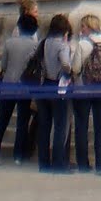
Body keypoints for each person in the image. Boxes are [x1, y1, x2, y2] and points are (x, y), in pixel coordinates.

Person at [0, 10, 38, 164]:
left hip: (8, 84)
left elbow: (3, 65)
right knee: (22, 122)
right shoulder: (35, 46)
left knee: (2, 120)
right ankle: (18, 155)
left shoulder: (9, 43)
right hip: (25, 86)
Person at [70, 13, 101, 174]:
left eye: (82, 26)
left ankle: (83, 163)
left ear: (88, 27)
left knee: (81, 127)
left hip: (83, 89)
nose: (81, 29)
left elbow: (75, 68)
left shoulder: (82, 45)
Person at [36, 15, 73, 172]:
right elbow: (65, 63)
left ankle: (43, 161)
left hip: (44, 84)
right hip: (58, 84)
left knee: (44, 125)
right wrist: (69, 71)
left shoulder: (44, 42)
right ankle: (58, 162)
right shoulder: (62, 45)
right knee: (59, 126)